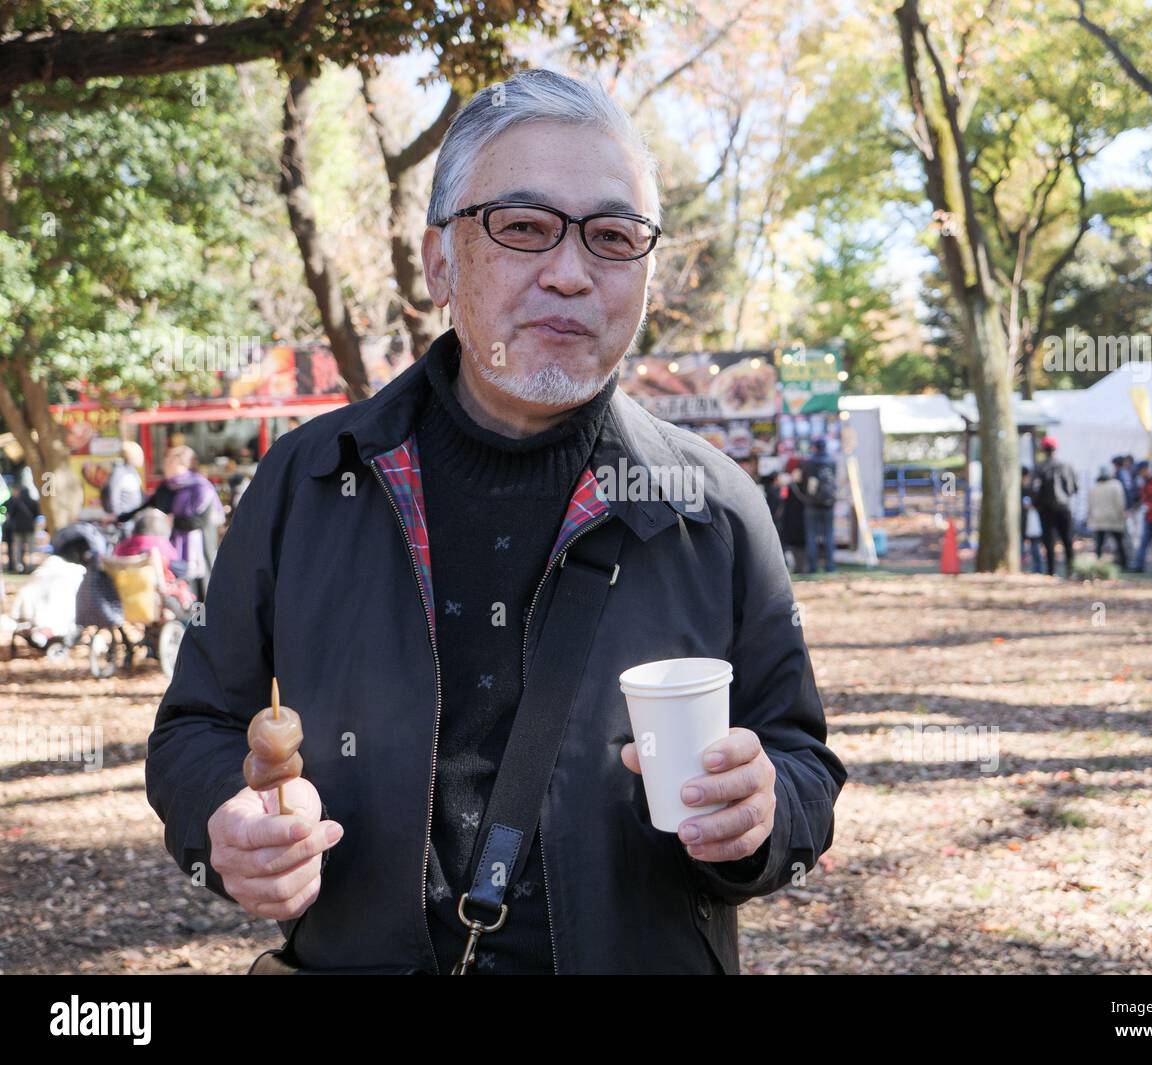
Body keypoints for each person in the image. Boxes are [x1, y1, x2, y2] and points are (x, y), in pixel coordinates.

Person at [145, 70, 845, 976]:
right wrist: (222, 823)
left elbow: (801, 762)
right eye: (521, 226)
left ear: (644, 273)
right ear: (440, 262)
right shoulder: (310, 481)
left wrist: (763, 815)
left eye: (612, 237)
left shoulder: (711, 506)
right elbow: (194, 727)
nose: (569, 271)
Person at [118, 445, 224, 600]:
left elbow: (199, 521)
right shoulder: (165, 487)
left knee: (200, 590)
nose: (165, 465)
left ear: (183, 464)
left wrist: (172, 521)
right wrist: (121, 517)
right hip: (168, 547)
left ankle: (201, 621)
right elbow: (148, 505)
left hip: (198, 550)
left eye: (170, 462)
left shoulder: (200, 488)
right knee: (175, 588)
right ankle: (185, 622)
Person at [1032, 435, 1077, 578]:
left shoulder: (1039, 468)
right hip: (1064, 508)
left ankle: (1051, 571)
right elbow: (1074, 487)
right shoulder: (1066, 466)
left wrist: (1036, 504)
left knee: (1049, 541)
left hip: (1046, 509)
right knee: (1067, 539)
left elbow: (1035, 489)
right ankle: (1071, 570)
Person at [797, 437, 837, 574]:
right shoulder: (832, 461)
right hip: (828, 503)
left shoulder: (808, 462)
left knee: (811, 536)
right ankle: (830, 565)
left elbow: (802, 482)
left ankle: (813, 566)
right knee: (829, 535)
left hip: (811, 504)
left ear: (814, 447)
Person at [1087, 467, 1127, 569]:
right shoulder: (1116, 485)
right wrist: (1122, 515)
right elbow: (1120, 503)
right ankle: (1123, 563)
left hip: (1099, 518)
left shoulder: (1095, 487)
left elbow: (1090, 505)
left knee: (1099, 543)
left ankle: (1098, 563)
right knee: (1119, 542)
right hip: (1114, 518)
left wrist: (1090, 517)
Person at [4, 466, 39, 575]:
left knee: (18, 548)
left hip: (17, 528)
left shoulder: (15, 501)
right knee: (31, 549)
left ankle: (18, 566)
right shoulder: (33, 501)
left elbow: (7, 511)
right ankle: (31, 566)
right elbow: (37, 513)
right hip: (30, 528)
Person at [101, 440, 145, 520]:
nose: (142, 457)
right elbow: (114, 496)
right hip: (125, 518)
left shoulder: (132, 470)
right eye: (139, 454)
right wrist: (119, 517)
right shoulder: (119, 472)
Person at [779, 455, 807, 573]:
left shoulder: (789, 482)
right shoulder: (802, 480)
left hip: (792, 517)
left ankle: (798, 567)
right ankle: (800, 566)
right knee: (799, 543)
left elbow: (783, 498)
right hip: (800, 517)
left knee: (794, 542)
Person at [1020, 466, 1043, 573]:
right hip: (1022, 524)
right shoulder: (1019, 490)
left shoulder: (1031, 489)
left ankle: (1038, 570)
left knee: (1035, 548)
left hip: (1031, 523)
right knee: (1022, 548)